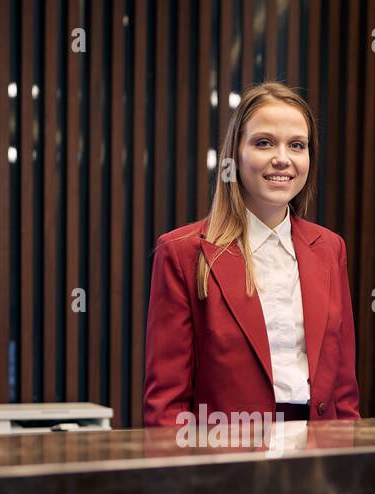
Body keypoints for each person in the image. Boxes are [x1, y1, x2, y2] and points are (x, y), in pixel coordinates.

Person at [143, 82, 361, 427]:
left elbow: (345, 392)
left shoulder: (330, 248)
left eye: (297, 145)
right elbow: (166, 407)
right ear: (235, 155)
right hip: (225, 462)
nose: (282, 158)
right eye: (264, 143)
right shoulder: (182, 252)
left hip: (320, 462)